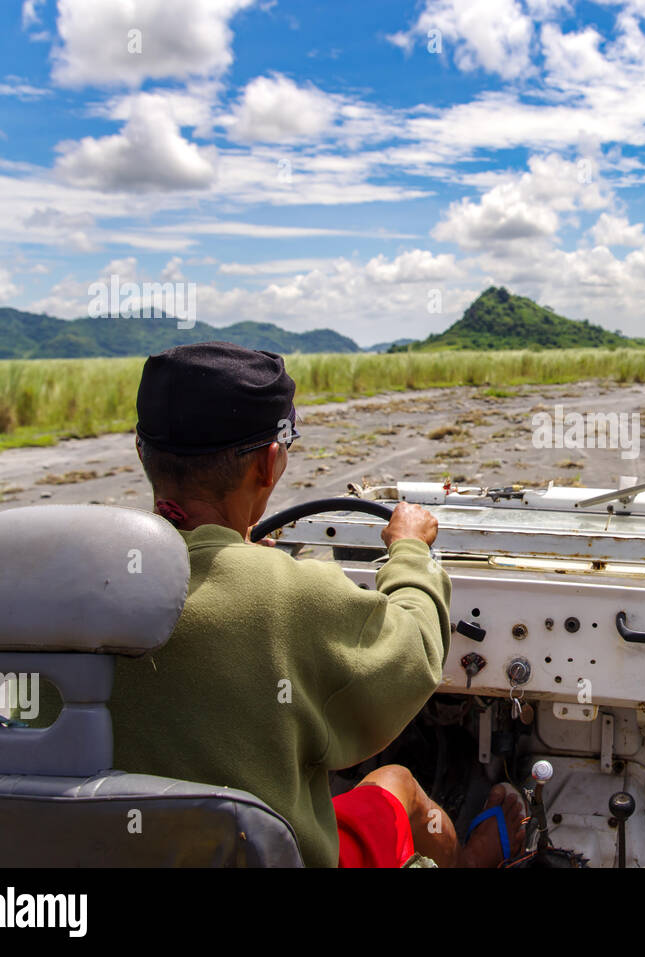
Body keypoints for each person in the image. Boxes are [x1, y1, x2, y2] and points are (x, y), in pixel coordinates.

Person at [110, 341, 523, 867]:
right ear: (268, 462)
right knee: (395, 781)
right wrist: (412, 551)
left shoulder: (61, 588)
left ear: (143, 452)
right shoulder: (291, 595)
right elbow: (414, 653)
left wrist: (239, 554)